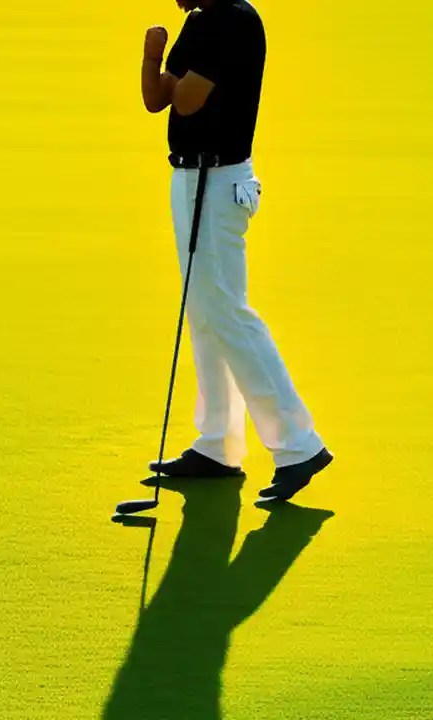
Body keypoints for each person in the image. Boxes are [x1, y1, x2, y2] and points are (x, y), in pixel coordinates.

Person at [139, 0, 331, 501]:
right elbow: (156, 96)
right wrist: (151, 55)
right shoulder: (201, 20)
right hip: (189, 177)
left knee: (225, 311)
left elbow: (185, 100)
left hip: (218, 181)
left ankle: (298, 445)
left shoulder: (233, 21)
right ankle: (217, 444)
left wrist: (168, 72)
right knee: (204, 312)